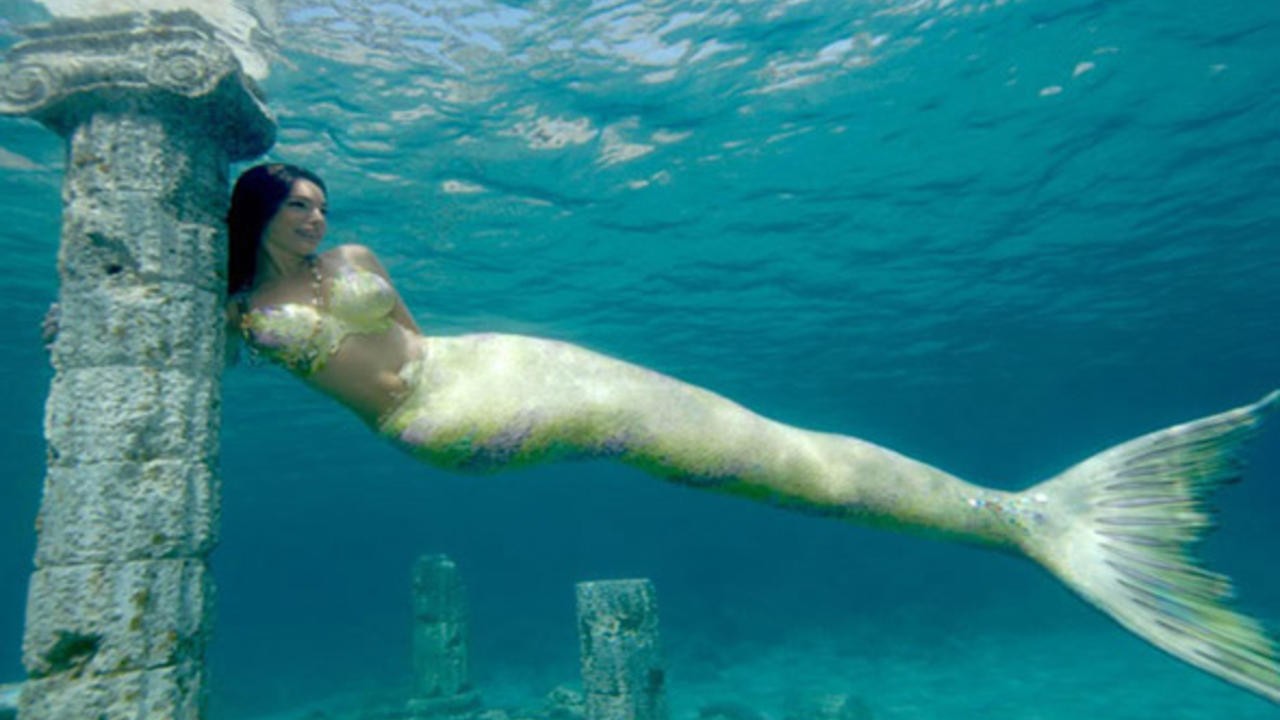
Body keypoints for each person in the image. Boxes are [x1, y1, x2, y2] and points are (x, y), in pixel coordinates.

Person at [225, 162, 1279, 703]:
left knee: (760, 435)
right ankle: (1022, 521)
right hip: (441, 416)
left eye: (321, 204)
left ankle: (1027, 518)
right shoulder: (238, 311)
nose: (316, 218)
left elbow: (411, 332)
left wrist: (474, 349)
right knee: (755, 455)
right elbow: (366, 370)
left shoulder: (352, 260)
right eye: (298, 207)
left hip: (479, 360)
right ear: (257, 212)